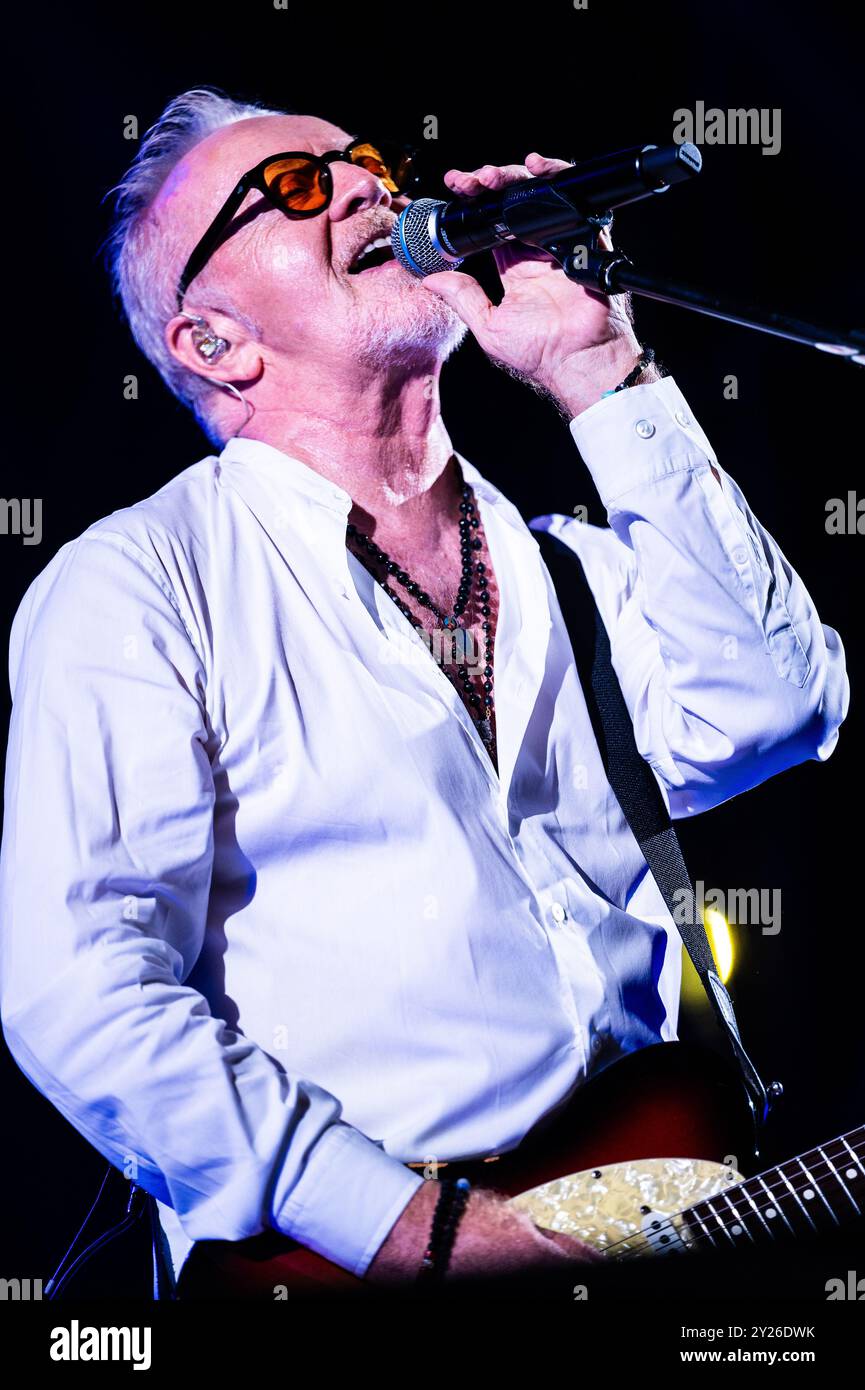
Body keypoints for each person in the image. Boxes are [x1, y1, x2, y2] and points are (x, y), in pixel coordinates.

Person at [0, 89, 848, 1290]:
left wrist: (597, 366)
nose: (364, 185)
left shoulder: (572, 568)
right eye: (295, 188)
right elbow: (83, 989)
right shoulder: (140, 587)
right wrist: (414, 1233)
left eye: (363, 163)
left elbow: (781, 708)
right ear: (213, 344)